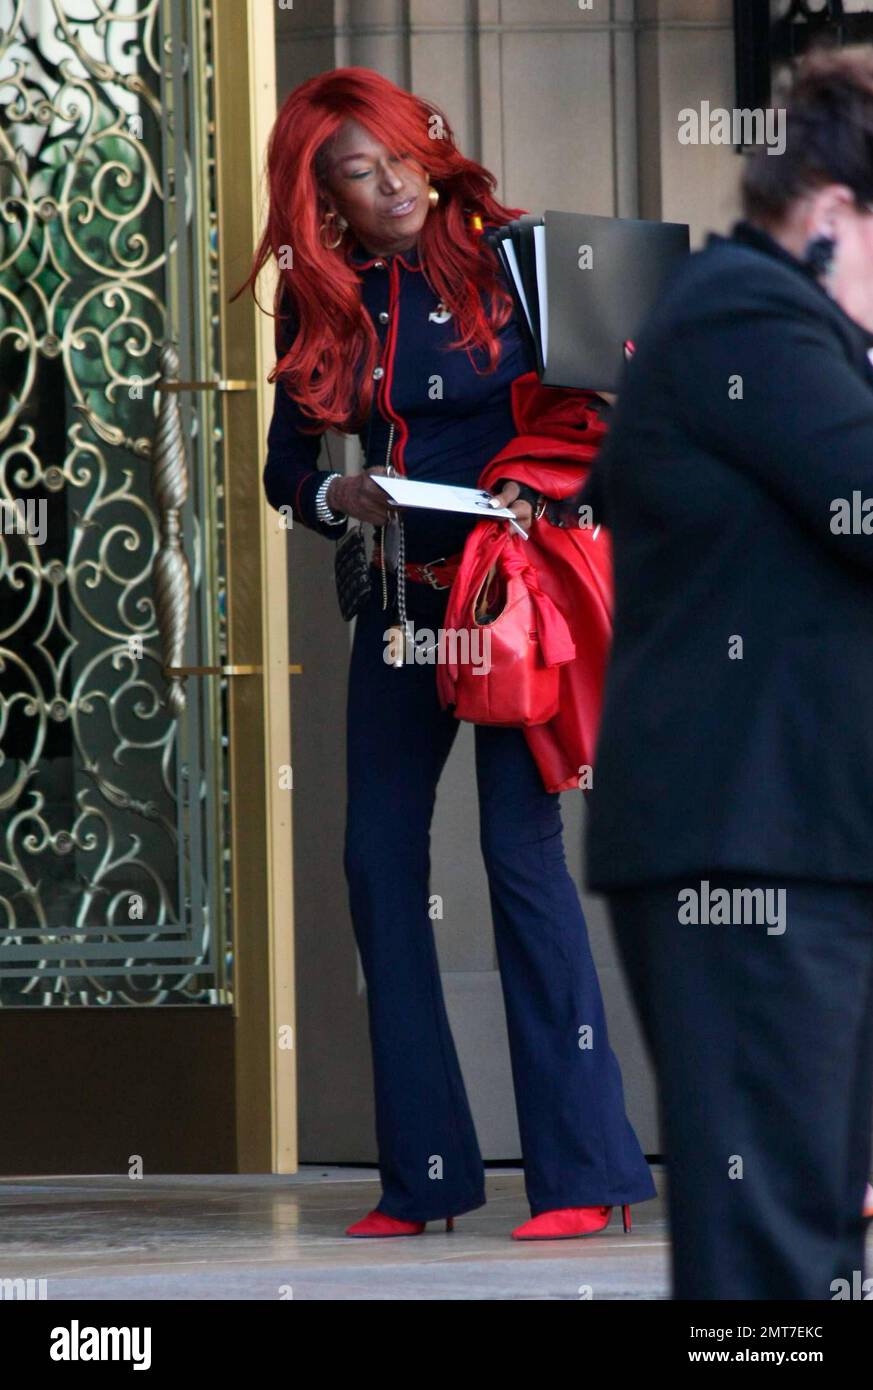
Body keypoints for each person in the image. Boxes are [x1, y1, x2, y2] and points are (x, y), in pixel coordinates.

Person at [241, 66, 655, 1239]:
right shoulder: (323, 296)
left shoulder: (525, 261)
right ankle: (424, 1176)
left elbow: (620, 422)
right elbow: (284, 472)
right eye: (356, 174)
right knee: (377, 865)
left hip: (513, 606)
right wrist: (338, 496)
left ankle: (586, 1175)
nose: (391, 186)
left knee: (520, 855)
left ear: (430, 149)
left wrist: (536, 486)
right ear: (322, 197)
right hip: (400, 607)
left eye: (399, 158)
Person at [581, 47, 873, 1298]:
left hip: (800, 843)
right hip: (751, 855)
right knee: (771, 1258)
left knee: (809, 1238)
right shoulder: (744, 313)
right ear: (834, 211)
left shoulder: (792, 325)